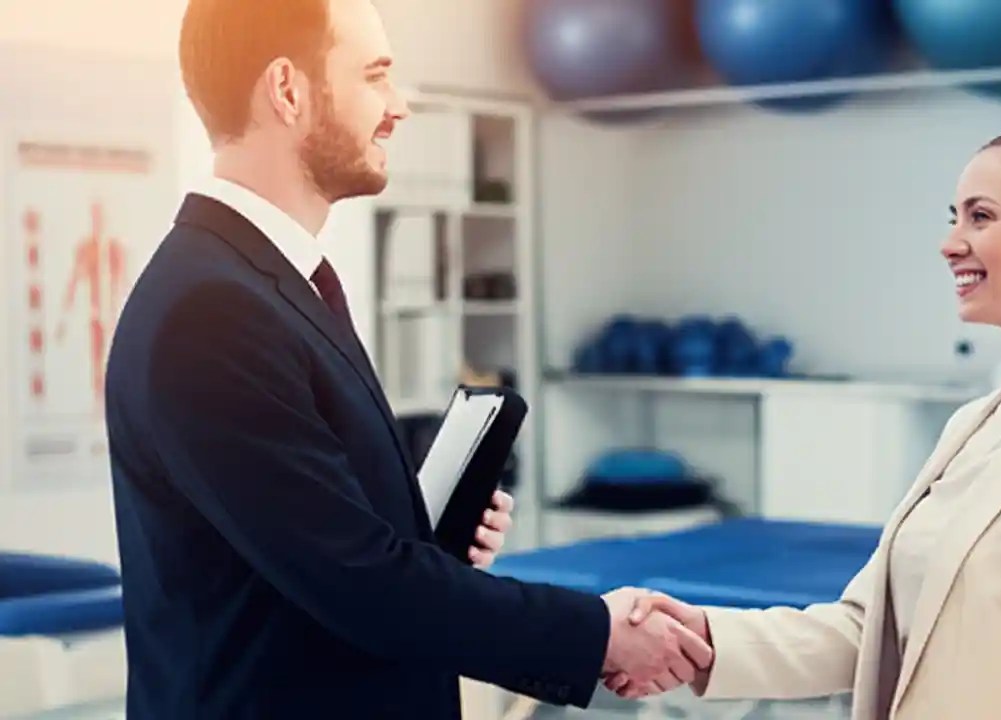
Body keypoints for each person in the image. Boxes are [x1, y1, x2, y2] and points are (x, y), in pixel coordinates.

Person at [104, 1, 710, 718]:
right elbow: (357, 582)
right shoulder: (210, 310)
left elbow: (303, 547)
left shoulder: (263, 283)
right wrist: (597, 634)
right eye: (375, 77)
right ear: (288, 91)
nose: (398, 108)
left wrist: (429, 536)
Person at [611, 121, 1001, 719]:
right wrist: (705, 640)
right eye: (954, 217)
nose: (951, 242)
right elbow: (869, 631)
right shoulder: (975, 424)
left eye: (981, 216)